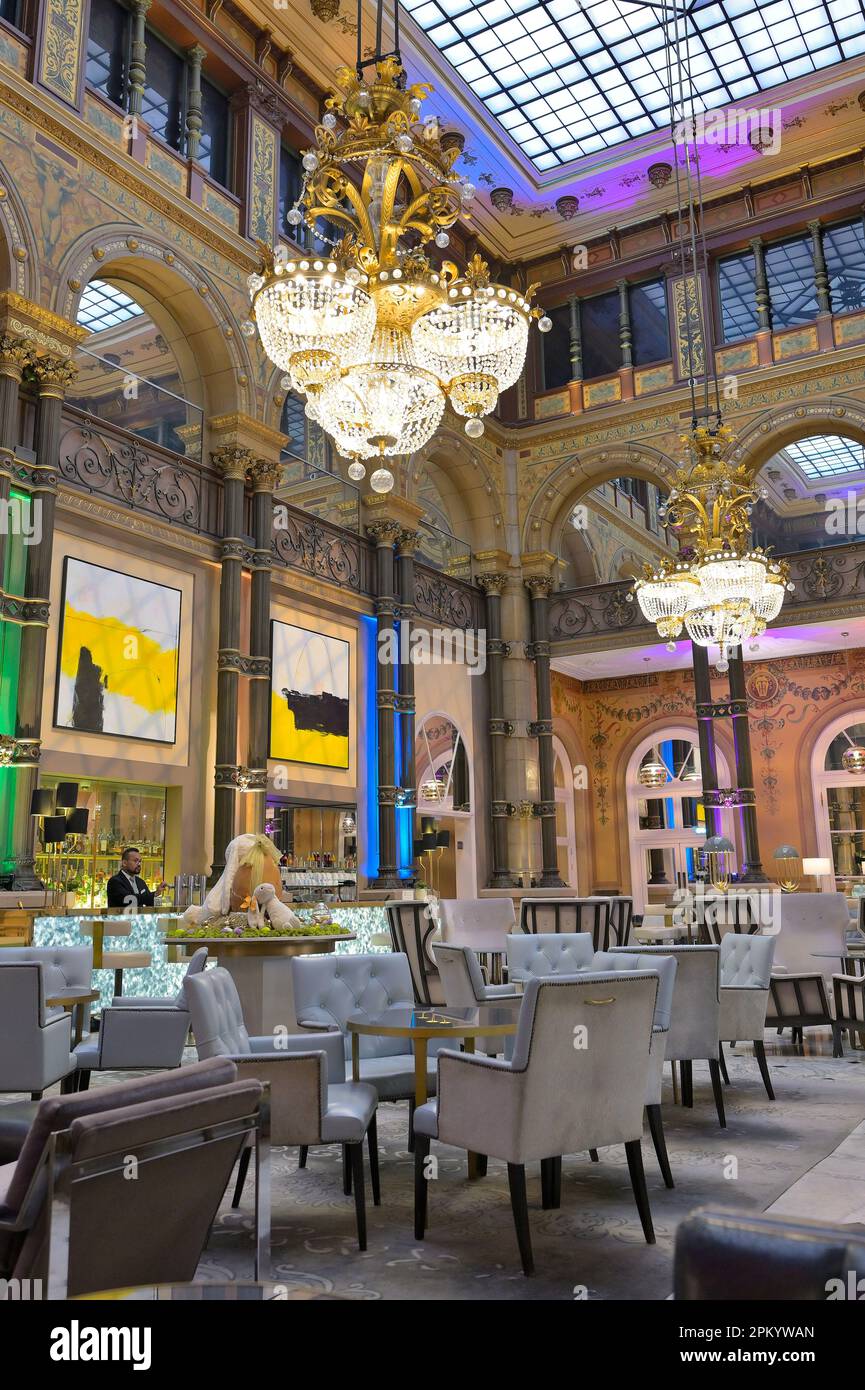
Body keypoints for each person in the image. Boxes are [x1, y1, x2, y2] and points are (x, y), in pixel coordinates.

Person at [182, 833, 283, 924]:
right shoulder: (268, 862)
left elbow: (221, 898)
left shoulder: (242, 866)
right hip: (267, 916)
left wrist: (226, 907)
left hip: (245, 917)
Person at [106, 847, 166, 911]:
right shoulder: (115, 881)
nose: (139, 864)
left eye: (140, 861)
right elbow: (129, 899)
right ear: (124, 863)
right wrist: (154, 894)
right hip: (122, 920)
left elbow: (149, 902)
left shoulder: (140, 882)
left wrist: (160, 899)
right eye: (135, 861)